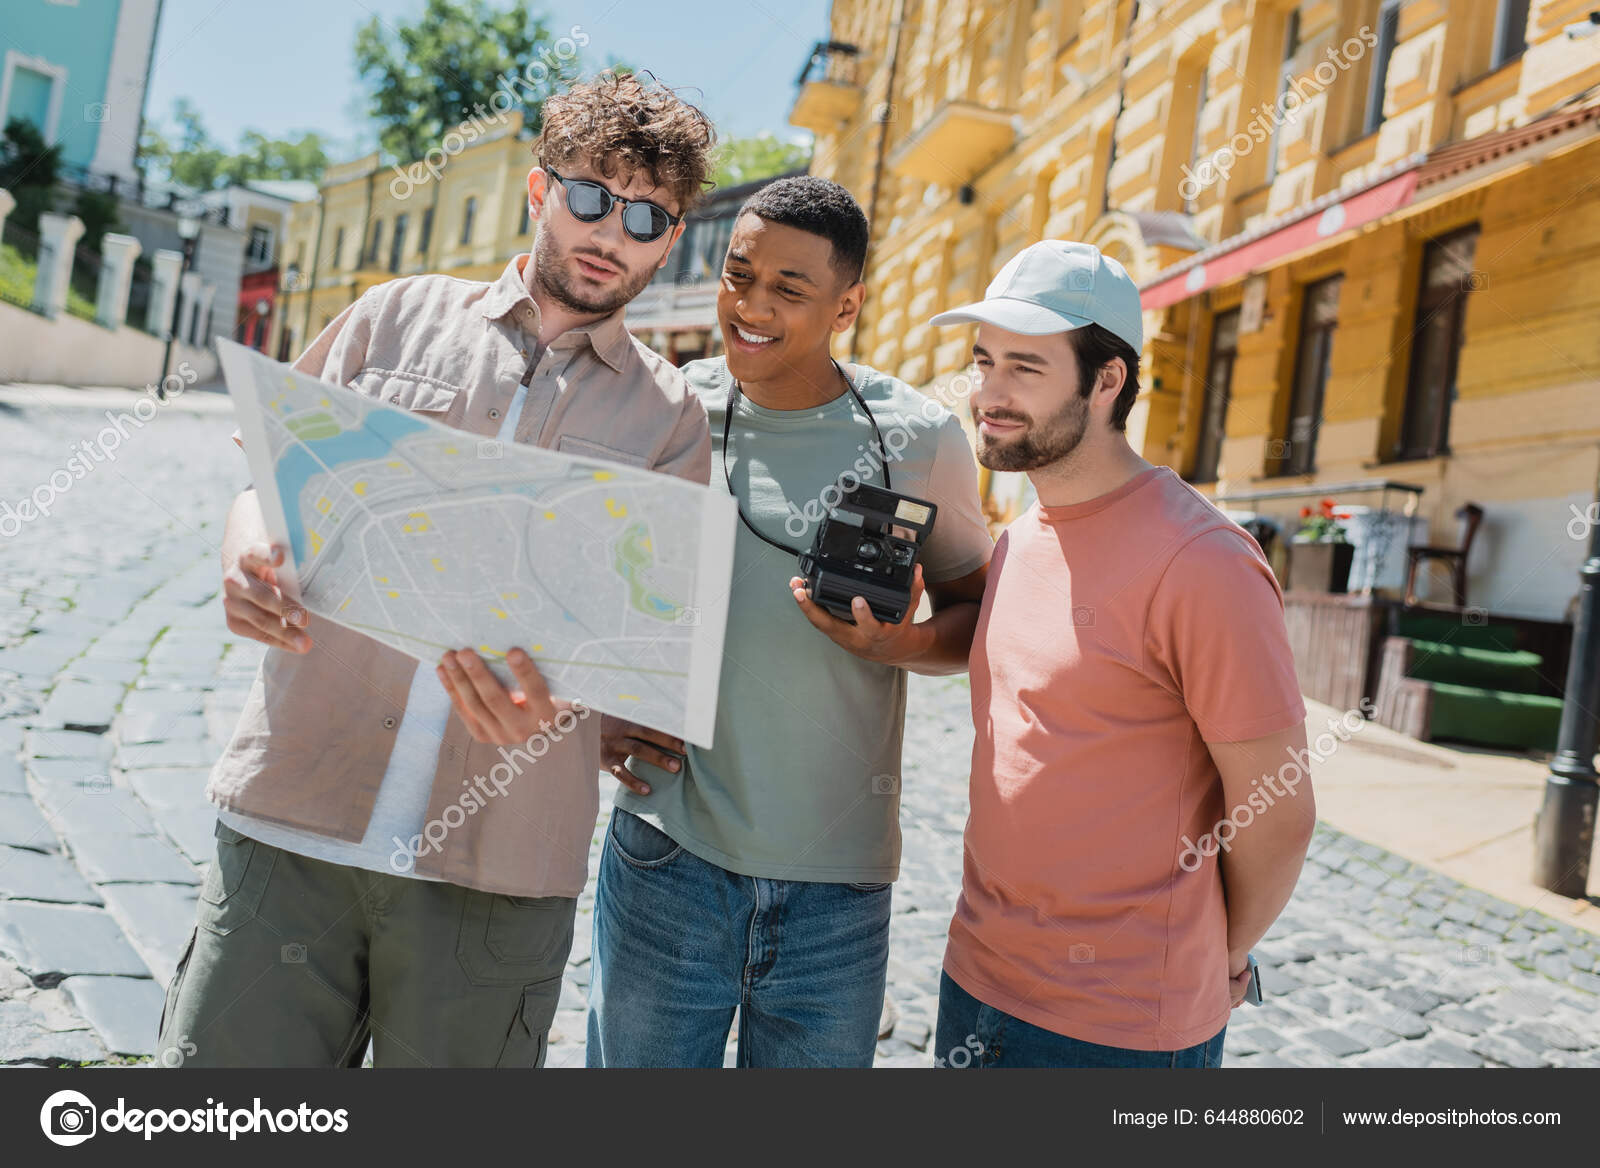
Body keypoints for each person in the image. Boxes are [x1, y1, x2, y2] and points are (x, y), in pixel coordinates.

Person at [158, 71, 715, 1068]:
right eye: (590, 196)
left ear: (670, 238)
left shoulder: (673, 422)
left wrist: (567, 705)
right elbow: (265, 481)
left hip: (495, 874)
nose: (610, 232)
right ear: (540, 192)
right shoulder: (395, 313)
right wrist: (246, 546)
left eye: (646, 217)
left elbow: (640, 643)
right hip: (297, 812)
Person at [582, 176, 994, 1067]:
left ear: (848, 305)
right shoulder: (668, 409)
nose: (751, 307)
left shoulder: (920, 438)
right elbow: (575, 586)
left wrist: (903, 643)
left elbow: (976, 613)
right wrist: (596, 709)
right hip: (666, 860)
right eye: (739, 276)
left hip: (835, 890)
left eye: (788, 290)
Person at [929, 240, 1315, 1068]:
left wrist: (1222, 954)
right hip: (976, 983)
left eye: (1025, 369)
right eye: (984, 362)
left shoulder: (1204, 562)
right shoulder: (1021, 539)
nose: (989, 395)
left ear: (1108, 381)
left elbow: (1278, 811)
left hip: (1118, 1030)